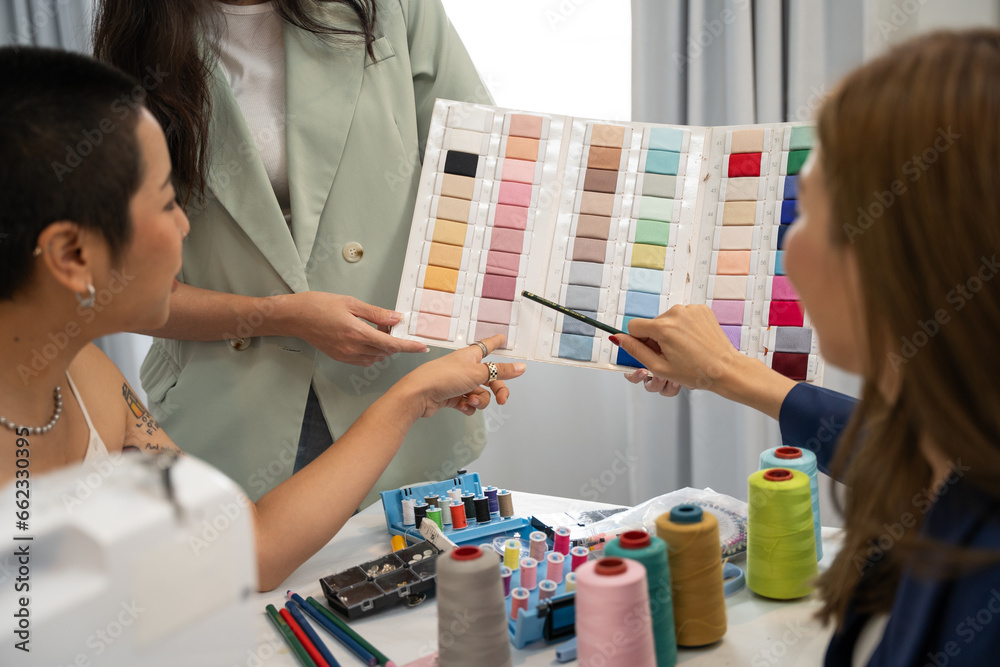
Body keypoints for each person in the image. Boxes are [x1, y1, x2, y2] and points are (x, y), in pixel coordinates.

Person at [0, 46, 523, 591]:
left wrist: (412, 396)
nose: (184, 226)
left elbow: (250, 548)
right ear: (72, 255)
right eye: (164, 203)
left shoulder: (92, 383)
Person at [612, 30, 1000, 666]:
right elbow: (893, 452)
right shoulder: (948, 447)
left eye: (809, 213)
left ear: (899, 257)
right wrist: (723, 370)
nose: (790, 246)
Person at [91, 0, 495, 503]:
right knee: (263, 577)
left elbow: (482, 175)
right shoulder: (132, 47)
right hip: (234, 408)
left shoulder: (391, 8)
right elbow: (120, 288)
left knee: (425, 568)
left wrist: (475, 334)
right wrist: (281, 316)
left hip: (400, 382)